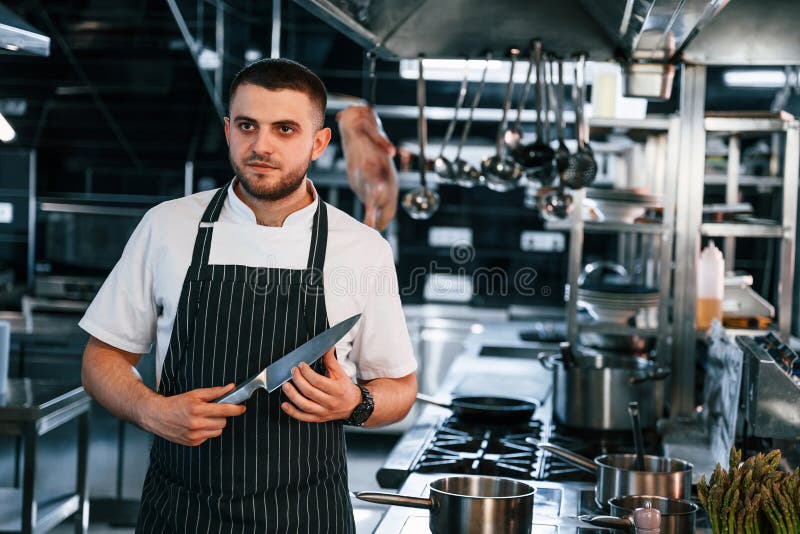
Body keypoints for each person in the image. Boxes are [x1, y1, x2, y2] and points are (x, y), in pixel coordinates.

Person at [79, 58, 418, 533]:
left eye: (285, 129)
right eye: (247, 126)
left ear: (319, 143)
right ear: (227, 131)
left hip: (307, 516)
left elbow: (401, 388)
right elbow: (101, 359)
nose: (261, 146)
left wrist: (355, 404)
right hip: (181, 514)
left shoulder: (362, 249)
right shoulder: (167, 226)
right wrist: (151, 410)